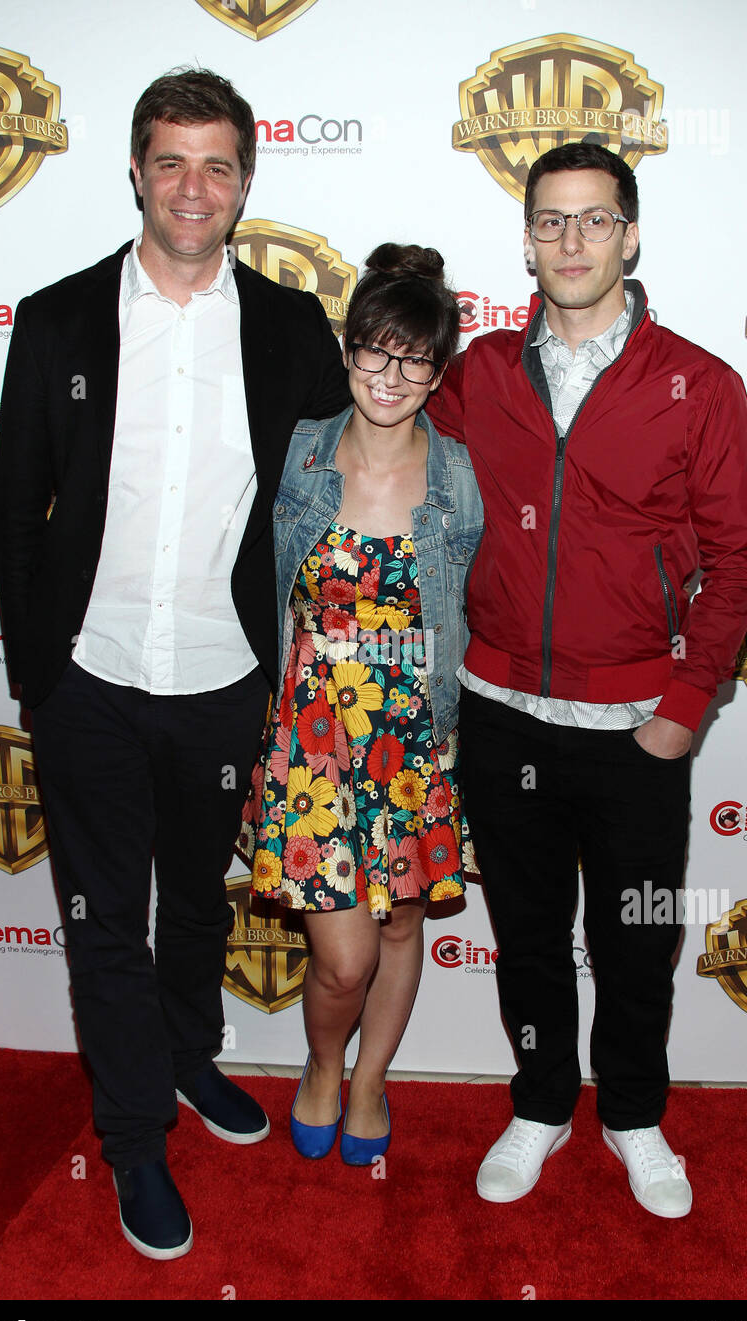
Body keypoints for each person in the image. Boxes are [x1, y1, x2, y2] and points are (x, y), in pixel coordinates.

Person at [0, 68, 350, 1260]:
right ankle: (134, 1134)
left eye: (217, 164)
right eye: (170, 160)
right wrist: (36, 681)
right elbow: (19, 516)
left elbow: (326, 506)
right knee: (104, 920)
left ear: (246, 181)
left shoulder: (293, 330)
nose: (192, 187)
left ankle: (189, 1054)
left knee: (198, 899)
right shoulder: (56, 320)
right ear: (136, 171)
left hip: (226, 678)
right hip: (88, 678)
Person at [427, 142, 747, 1217]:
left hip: (635, 727)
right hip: (499, 717)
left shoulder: (699, 384)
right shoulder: (476, 374)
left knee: (634, 937)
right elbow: (406, 492)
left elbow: (742, 560)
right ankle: (537, 1103)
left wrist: (681, 709)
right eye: (548, 221)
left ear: (628, 234)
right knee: (525, 937)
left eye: (591, 220)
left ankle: (630, 1112)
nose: (568, 241)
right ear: (525, 239)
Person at [240, 244, 483, 1163]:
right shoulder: (298, 450)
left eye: (415, 357)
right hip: (311, 732)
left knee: (402, 925)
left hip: (416, 731)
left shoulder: (460, 475)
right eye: (376, 352)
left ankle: (372, 1083)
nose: (392, 376)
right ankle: (321, 1066)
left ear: (438, 369)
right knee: (343, 954)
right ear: (346, 353)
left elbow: (478, 607)